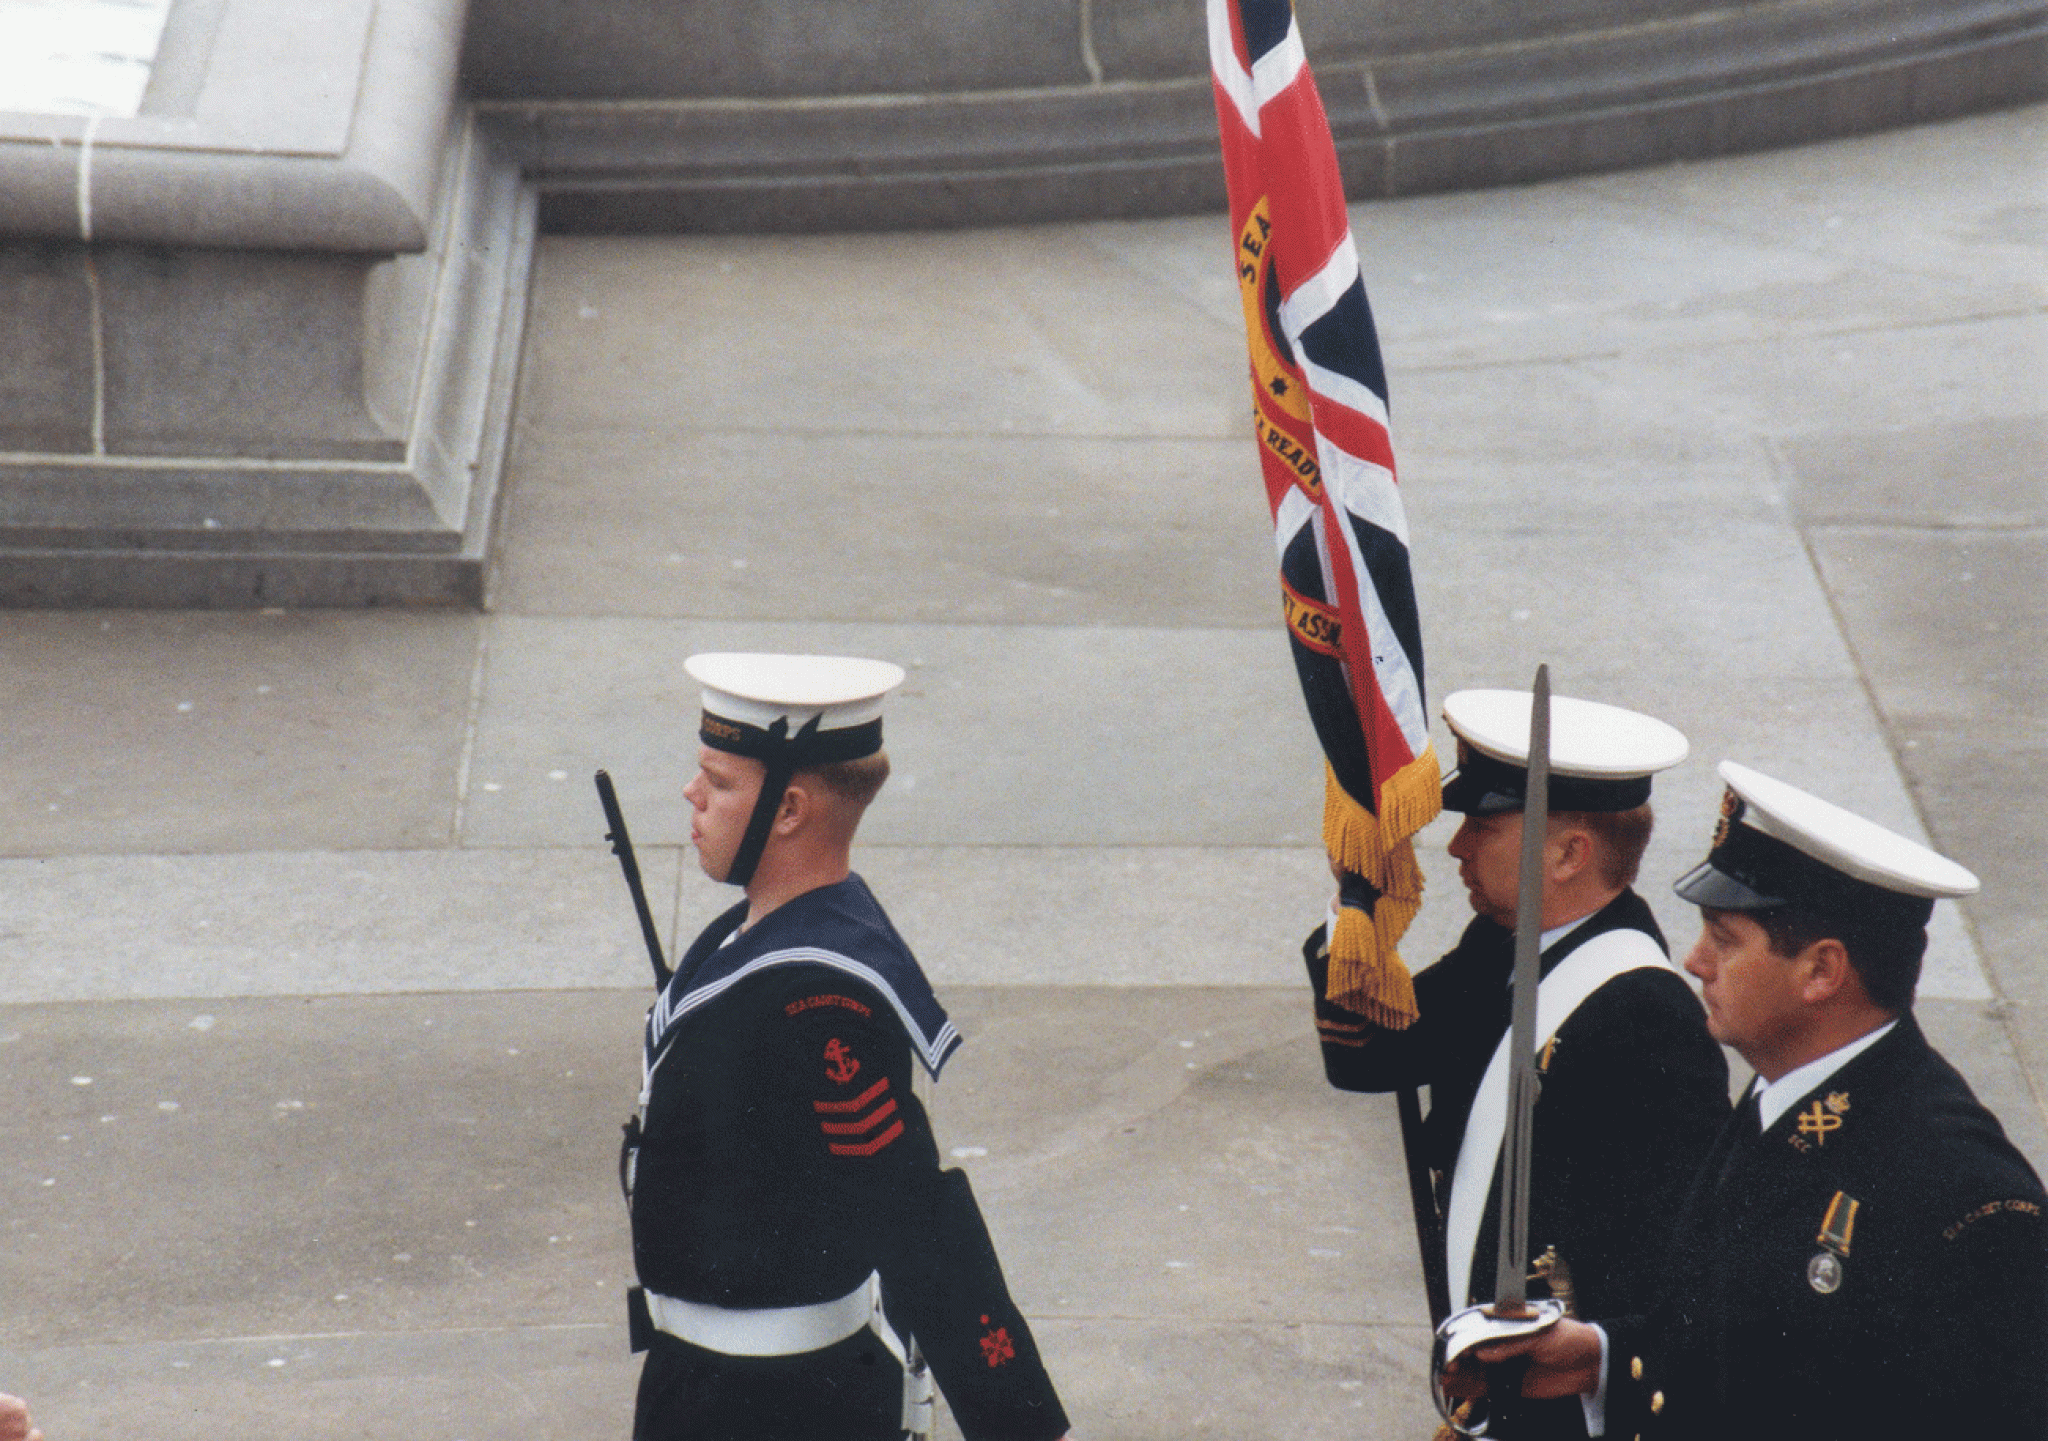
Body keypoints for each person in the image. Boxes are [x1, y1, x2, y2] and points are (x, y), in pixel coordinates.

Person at [1468, 761, 2048, 1438]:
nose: (1695, 961)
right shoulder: (1784, 1094)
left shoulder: (1957, 1188)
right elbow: (1738, 1336)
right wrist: (1599, 1356)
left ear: (1822, 971)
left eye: (1724, 938)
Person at [621, 652, 1071, 1441]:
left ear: (788, 809)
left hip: (770, 1406)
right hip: (708, 1383)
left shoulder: (819, 1000)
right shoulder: (754, 932)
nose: (692, 795)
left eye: (719, 782)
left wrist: (1026, 1426)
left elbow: (913, 1219)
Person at [1307, 689, 1728, 1438]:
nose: (1458, 846)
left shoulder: (1649, 1024)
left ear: (1567, 853)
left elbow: (1669, 1281)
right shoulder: (1500, 945)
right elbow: (1375, 1056)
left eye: (1483, 824)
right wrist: (1356, 905)